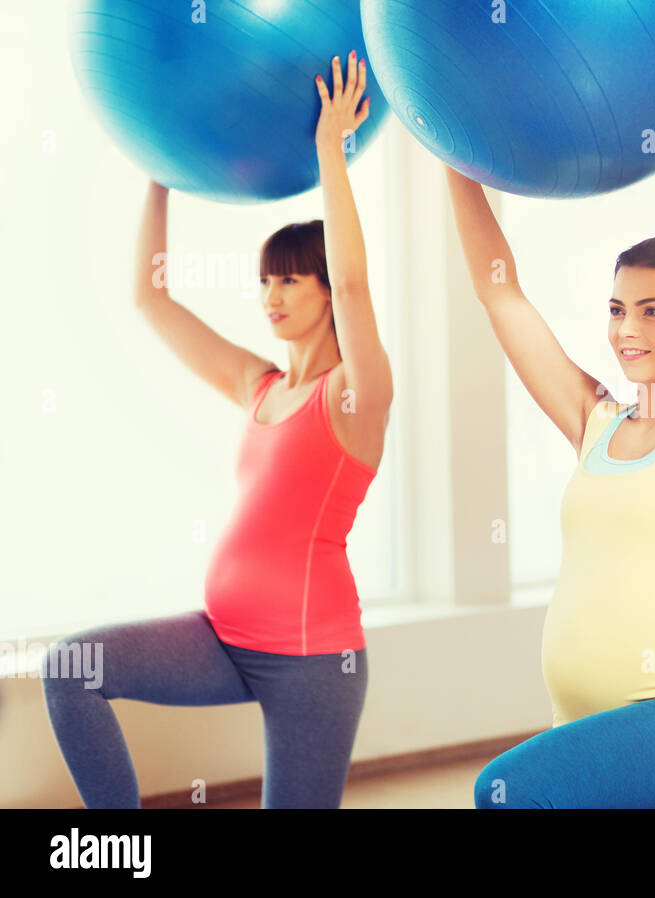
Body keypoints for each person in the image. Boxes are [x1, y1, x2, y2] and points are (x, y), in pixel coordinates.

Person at [40, 52, 391, 809]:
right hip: (222, 639)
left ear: (329, 293)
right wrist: (160, 167)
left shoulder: (356, 397)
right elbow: (150, 300)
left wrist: (332, 147)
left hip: (310, 661)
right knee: (72, 669)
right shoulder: (260, 384)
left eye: (291, 278)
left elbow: (359, 282)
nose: (270, 294)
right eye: (266, 279)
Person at [449, 13, 655, 809]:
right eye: (618, 308)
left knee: (502, 791)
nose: (627, 330)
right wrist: (451, 146)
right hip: (580, 718)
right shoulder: (594, 420)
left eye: (654, 310)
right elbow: (499, 291)